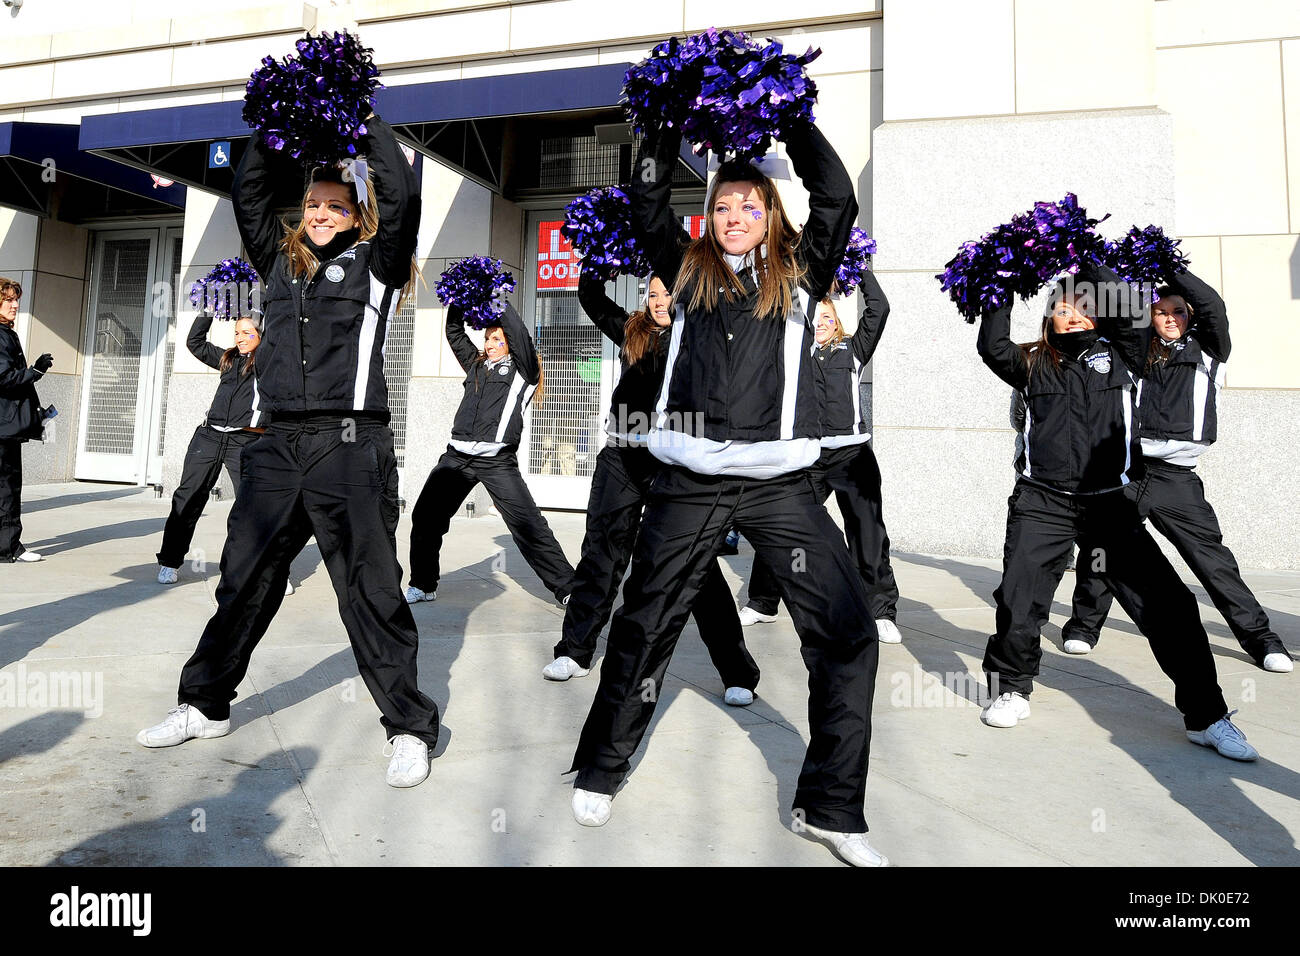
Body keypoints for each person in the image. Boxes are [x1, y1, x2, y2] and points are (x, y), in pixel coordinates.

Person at [567, 116, 890, 867]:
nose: (735, 216)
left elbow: (836, 194)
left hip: (781, 489)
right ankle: (602, 767)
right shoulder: (683, 269)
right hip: (689, 486)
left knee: (848, 635)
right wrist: (663, 119)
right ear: (706, 218)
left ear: (772, 213)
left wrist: (789, 115)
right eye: (722, 206)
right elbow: (644, 200)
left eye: (750, 205)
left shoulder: (804, 270)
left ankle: (833, 807)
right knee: (644, 626)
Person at [137, 112, 441, 789]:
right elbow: (247, 193)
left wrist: (362, 120)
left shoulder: (380, 264)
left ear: (357, 214)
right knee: (243, 579)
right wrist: (272, 124)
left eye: (337, 206)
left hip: (350, 445)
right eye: (313, 204)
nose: (323, 214)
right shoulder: (277, 264)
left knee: (369, 590)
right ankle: (204, 703)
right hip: (274, 444)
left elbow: (403, 196)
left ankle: (410, 727)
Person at [975, 260, 1258, 761]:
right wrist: (1001, 280)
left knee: (1170, 608)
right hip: (1043, 502)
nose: (1076, 314)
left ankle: (1207, 716)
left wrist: (1088, 260)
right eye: (1065, 308)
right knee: (1020, 601)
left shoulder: (1127, 353)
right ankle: (1011, 688)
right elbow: (991, 347)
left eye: (1086, 306)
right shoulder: (1030, 362)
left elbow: (1130, 314)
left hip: (1110, 504)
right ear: (1049, 318)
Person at [544, 268, 761, 707]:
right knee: (602, 553)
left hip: (676, 464)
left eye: (669, 293)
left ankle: (737, 671)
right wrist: (606, 252)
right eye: (654, 293)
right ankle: (576, 650)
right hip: (622, 457)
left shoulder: (700, 334)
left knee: (696, 567)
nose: (660, 300)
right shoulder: (631, 331)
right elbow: (590, 295)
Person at [1057, 273, 1293, 674]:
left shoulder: (1208, 350)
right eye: (1160, 311)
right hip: (1126, 470)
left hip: (1176, 478)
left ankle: (1262, 639)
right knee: (1099, 552)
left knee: (1211, 560)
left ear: (1189, 317)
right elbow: (1116, 310)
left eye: (1178, 312)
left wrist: (1167, 263)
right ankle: (1083, 625)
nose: (1169, 318)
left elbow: (1213, 307)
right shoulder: (1130, 350)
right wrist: (1100, 266)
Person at [739, 286, 901, 644]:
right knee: (782, 523)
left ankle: (880, 611)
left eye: (829, 317)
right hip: (809, 457)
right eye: (816, 318)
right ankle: (764, 602)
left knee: (868, 533)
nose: (823, 323)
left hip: (853, 457)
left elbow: (880, 308)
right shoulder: (797, 355)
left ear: (838, 323)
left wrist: (857, 267)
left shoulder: (854, 351)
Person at [405, 302, 576, 606]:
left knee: (529, 526)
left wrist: (498, 297)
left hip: (497, 462)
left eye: (498, 339)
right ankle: (423, 584)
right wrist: (459, 298)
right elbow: (453, 332)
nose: (491, 344)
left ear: (510, 344)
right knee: (426, 517)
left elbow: (520, 333)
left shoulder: (524, 370)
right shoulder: (475, 365)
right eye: (487, 338)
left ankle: (569, 588)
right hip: (457, 457)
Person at [155, 312, 267, 585]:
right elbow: (195, 343)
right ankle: (170, 562)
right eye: (237, 333)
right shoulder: (228, 359)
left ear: (262, 336)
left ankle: (266, 571)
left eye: (247, 333)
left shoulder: (270, 362)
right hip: (209, 437)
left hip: (246, 440)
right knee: (187, 498)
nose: (240, 338)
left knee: (253, 506)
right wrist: (208, 312)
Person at [0, 277, 52, 563]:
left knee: (6, 486)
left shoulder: (7, 333)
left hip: (7, 423)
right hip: (3, 426)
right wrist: (35, 371)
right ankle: (8, 548)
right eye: (8, 300)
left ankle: (9, 544)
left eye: (15, 299)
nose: (15, 304)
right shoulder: (0, 336)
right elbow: (4, 378)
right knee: (7, 486)